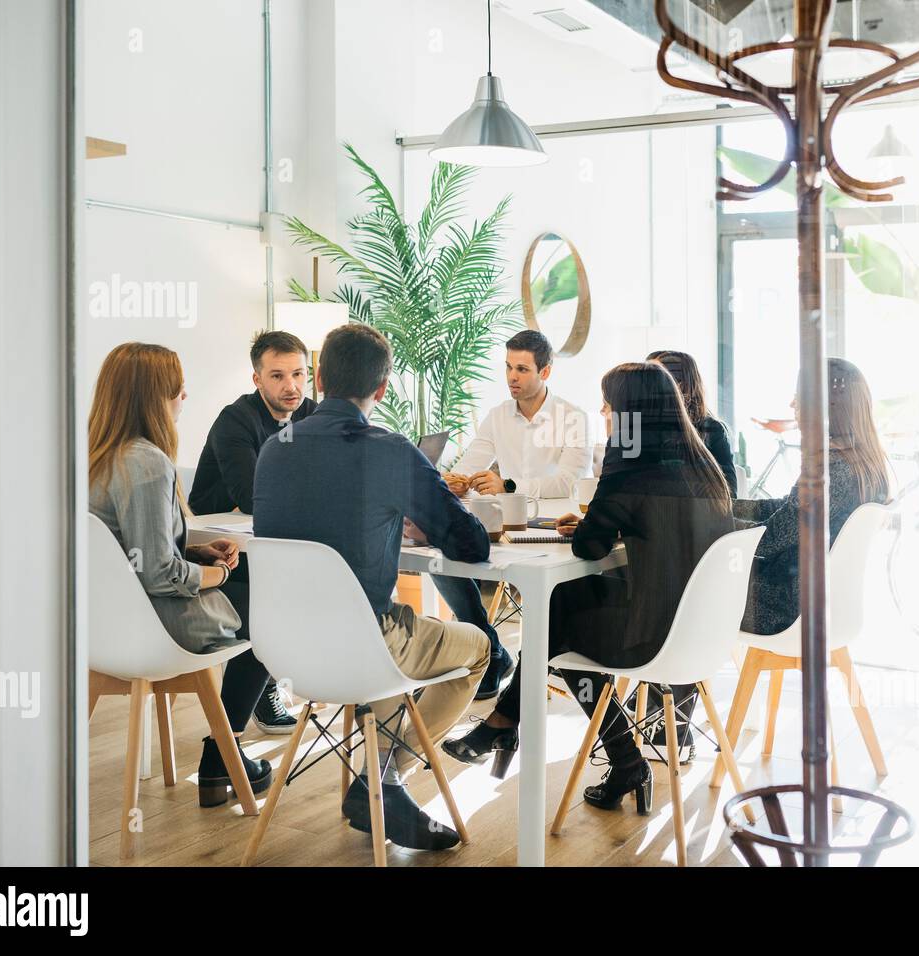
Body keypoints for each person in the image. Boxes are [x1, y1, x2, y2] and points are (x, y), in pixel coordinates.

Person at [444, 362, 733, 815]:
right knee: (561, 609)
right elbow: (648, 526)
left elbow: (589, 545)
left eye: (609, 404)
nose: (603, 411)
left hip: (653, 638)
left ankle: (581, 746)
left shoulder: (629, 468)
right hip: (702, 633)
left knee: (555, 622)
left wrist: (597, 517)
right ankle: (517, 727)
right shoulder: (702, 464)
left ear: (631, 414)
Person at [252, 323, 491, 852]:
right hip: (365, 647)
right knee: (480, 648)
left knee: (387, 629)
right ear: (381, 390)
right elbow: (471, 544)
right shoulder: (388, 449)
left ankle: (379, 781)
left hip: (286, 650)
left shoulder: (274, 448)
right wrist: (413, 514)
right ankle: (381, 778)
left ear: (317, 376)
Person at [88, 342, 273, 808]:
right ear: (155, 397)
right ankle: (222, 758)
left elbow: (127, 548)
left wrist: (195, 548)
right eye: (177, 387)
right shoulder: (147, 461)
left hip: (101, 629)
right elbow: (157, 572)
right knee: (274, 611)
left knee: (260, 601)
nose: (184, 396)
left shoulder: (96, 458)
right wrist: (217, 576)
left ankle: (222, 757)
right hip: (156, 625)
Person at [435, 329, 593, 700]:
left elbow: (569, 481)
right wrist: (456, 481)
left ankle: (520, 668)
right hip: (501, 528)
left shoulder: (573, 417)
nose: (512, 377)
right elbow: (471, 462)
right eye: (508, 367)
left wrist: (508, 485)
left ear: (546, 372)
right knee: (442, 558)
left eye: (522, 369)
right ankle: (491, 651)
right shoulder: (497, 415)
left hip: (552, 530)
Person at [189, 330, 319, 735]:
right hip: (223, 544)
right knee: (271, 604)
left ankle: (243, 717)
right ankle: (236, 726)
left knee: (304, 586)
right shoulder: (236, 420)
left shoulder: (312, 413)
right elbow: (250, 496)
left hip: (270, 535)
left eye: (298, 374)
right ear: (257, 379)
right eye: (278, 376)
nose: (291, 386)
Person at [737, 358, 891, 636]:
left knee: (681, 574)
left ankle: (671, 672)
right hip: (817, 601)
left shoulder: (829, 469)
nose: (792, 405)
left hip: (784, 607)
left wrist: (708, 526)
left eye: (798, 396)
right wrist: (730, 508)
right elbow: (789, 509)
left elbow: (770, 539)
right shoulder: (862, 462)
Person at [647, 349, 738, 495]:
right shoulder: (641, 428)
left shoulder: (712, 430)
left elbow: (729, 494)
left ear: (680, 385)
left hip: (692, 515)